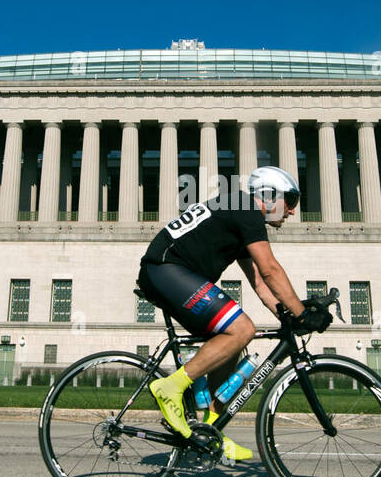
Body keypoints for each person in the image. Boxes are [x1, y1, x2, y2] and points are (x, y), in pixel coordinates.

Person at [137, 166, 331, 461]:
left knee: (230, 345)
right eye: (289, 201)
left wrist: (286, 314)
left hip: (170, 272)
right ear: (268, 194)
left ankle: (211, 432)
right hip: (167, 269)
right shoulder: (246, 209)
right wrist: (302, 313)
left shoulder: (237, 209)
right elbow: (271, 269)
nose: (291, 211)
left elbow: (258, 280)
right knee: (242, 329)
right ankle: (169, 388)